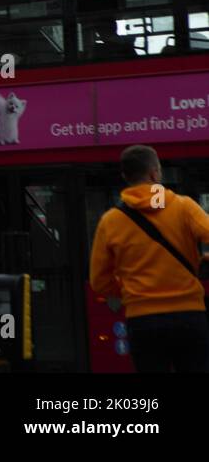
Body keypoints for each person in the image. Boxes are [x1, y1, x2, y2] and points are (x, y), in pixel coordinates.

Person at [89, 145, 209, 372]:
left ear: (125, 176)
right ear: (155, 173)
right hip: (189, 315)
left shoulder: (111, 221)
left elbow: (99, 281)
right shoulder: (183, 207)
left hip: (142, 320)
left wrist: (128, 290)